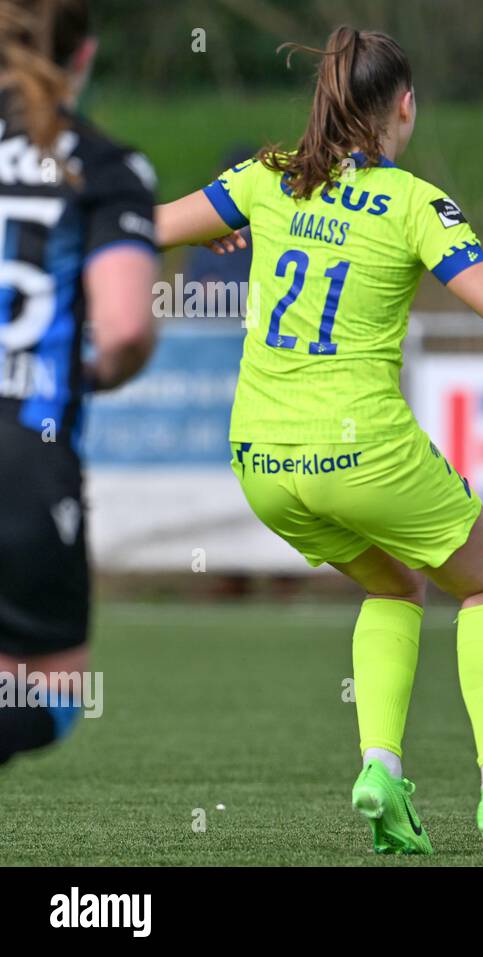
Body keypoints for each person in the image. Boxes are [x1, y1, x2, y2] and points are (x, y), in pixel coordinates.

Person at [155, 26, 483, 854]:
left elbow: (139, 227)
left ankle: (380, 768)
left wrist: (205, 228)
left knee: (394, 588)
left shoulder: (264, 179)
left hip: (264, 461)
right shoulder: (414, 202)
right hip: (363, 451)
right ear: (403, 107)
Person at [0, 0, 157, 765]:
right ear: (83, 57)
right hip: (26, 459)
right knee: (49, 694)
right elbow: (125, 326)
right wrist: (90, 371)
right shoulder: (101, 163)